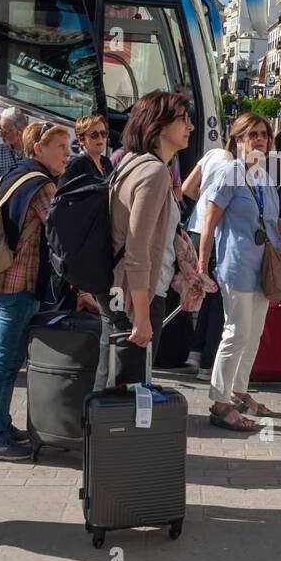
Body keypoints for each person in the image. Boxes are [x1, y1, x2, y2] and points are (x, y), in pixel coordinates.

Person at [198, 113, 281, 432]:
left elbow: (272, 224)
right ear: (238, 140)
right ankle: (219, 402)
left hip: (264, 267)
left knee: (253, 333)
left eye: (263, 134)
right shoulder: (231, 172)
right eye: (251, 135)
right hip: (237, 265)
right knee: (236, 333)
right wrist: (202, 268)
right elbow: (209, 223)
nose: (259, 139)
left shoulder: (265, 177)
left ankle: (239, 392)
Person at [0, 122, 72, 460]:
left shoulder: (11, 175)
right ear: (39, 149)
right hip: (18, 285)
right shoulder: (42, 185)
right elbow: (62, 232)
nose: (67, 152)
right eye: (60, 146)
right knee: (5, 364)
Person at [103, 91, 195, 388]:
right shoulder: (154, 172)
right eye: (183, 119)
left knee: (115, 382)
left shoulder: (131, 161)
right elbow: (137, 247)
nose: (190, 126)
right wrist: (142, 316)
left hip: (121, 289)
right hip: (139, 295)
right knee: (131, 390)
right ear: (159, 125)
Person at [179, 138, 236, 380]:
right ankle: (207, 365)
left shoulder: (213, 154)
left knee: (208, 296)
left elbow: (187, 188)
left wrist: (204, 199)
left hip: (195, 229)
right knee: (219, 302)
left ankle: (194, 351)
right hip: (217, 235)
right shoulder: (240, 168)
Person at [61, 113, 113, 182]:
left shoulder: (107, 162)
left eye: (103, 133)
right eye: (94, 134)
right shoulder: (76, 164)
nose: (100, 138)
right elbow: (62, 191)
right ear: (81, 139)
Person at [0, 107, 28, 179]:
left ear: (19, 131)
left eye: (4, 132)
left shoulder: (36, 152)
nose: (1, 135)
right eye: (0, 130)